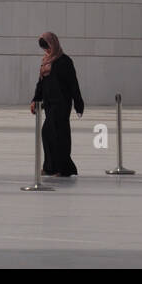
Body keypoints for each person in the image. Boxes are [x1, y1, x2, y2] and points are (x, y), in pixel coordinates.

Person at [31, 31, 84, 177]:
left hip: (62, 104)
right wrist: (35, 100)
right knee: (48, 134)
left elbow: (73, 84)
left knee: (59, 135)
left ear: (53, 43)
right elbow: (41, 84)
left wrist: (78, 104)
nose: (46, 50)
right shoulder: (46, 61)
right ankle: (50, 167)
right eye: (44, 48)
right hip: (49, 104)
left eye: (47, 46)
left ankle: (63, 169)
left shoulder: (64, 61)